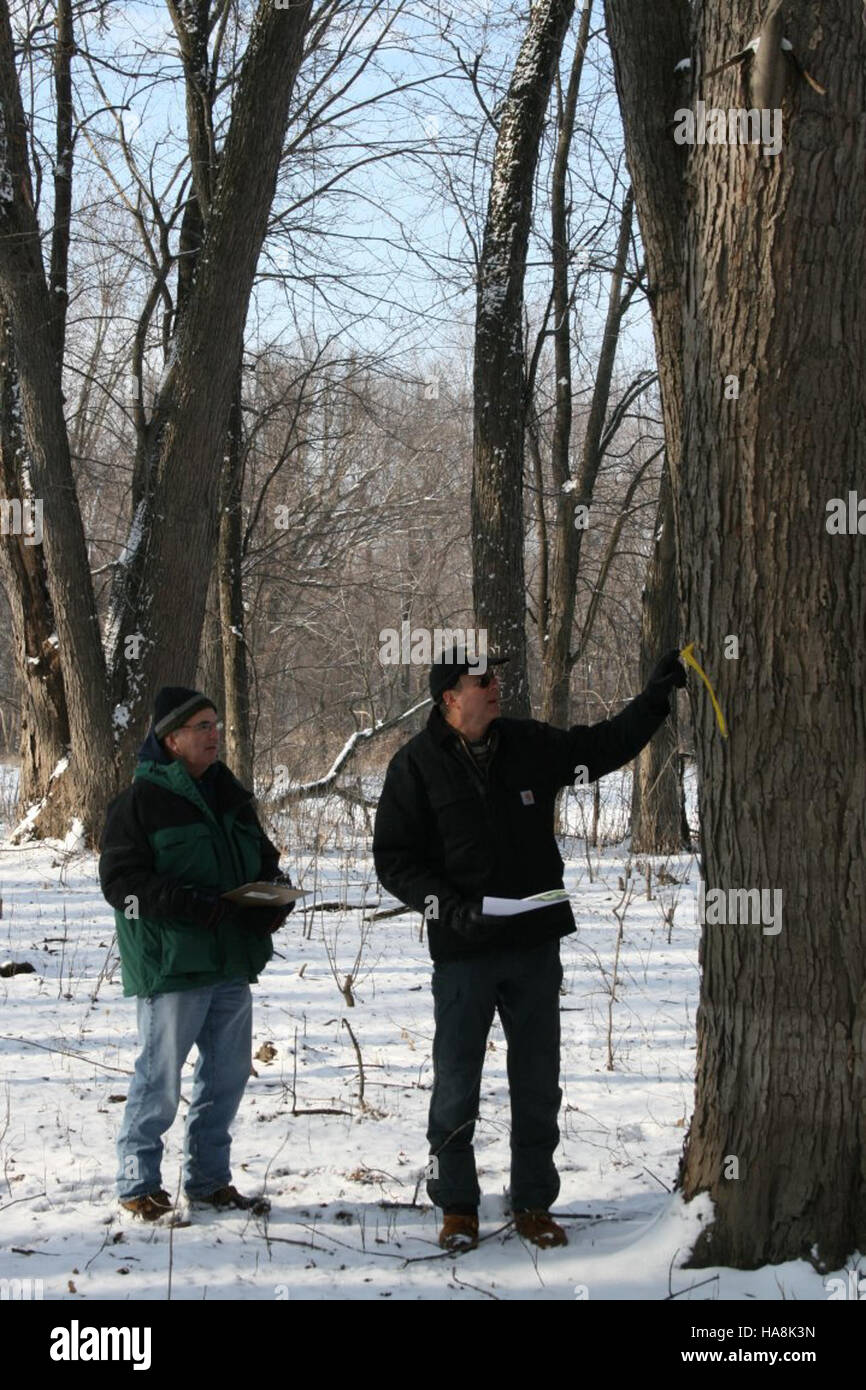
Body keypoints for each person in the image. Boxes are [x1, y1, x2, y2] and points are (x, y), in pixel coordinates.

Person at [373, 646, 686, 1252]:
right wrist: (447, 907)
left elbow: (597, 750)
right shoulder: (415, 765)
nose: (495, 687)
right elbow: (393, 860)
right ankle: (458, 1206)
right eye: (481, 680)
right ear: (448, 698)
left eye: (497, 678)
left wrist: (652, 703)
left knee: (538, 1080)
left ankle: (535, 1201)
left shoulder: (527, 745)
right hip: (463, 951)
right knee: (456, 1082)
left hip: (534, 945)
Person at [99, 686, 294, 1220]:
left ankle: (209, 1181)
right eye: (203, 726)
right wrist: (186, 904)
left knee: (227, 1077)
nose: (215, 735)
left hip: (231, 958)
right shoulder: (138, 804)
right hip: (172, 966)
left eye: (216, 725)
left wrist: (272, 895)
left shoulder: (229, 794)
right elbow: (121, 885)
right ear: (171, 738)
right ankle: (137, 1184)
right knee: (159, 1079)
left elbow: (263, 857)